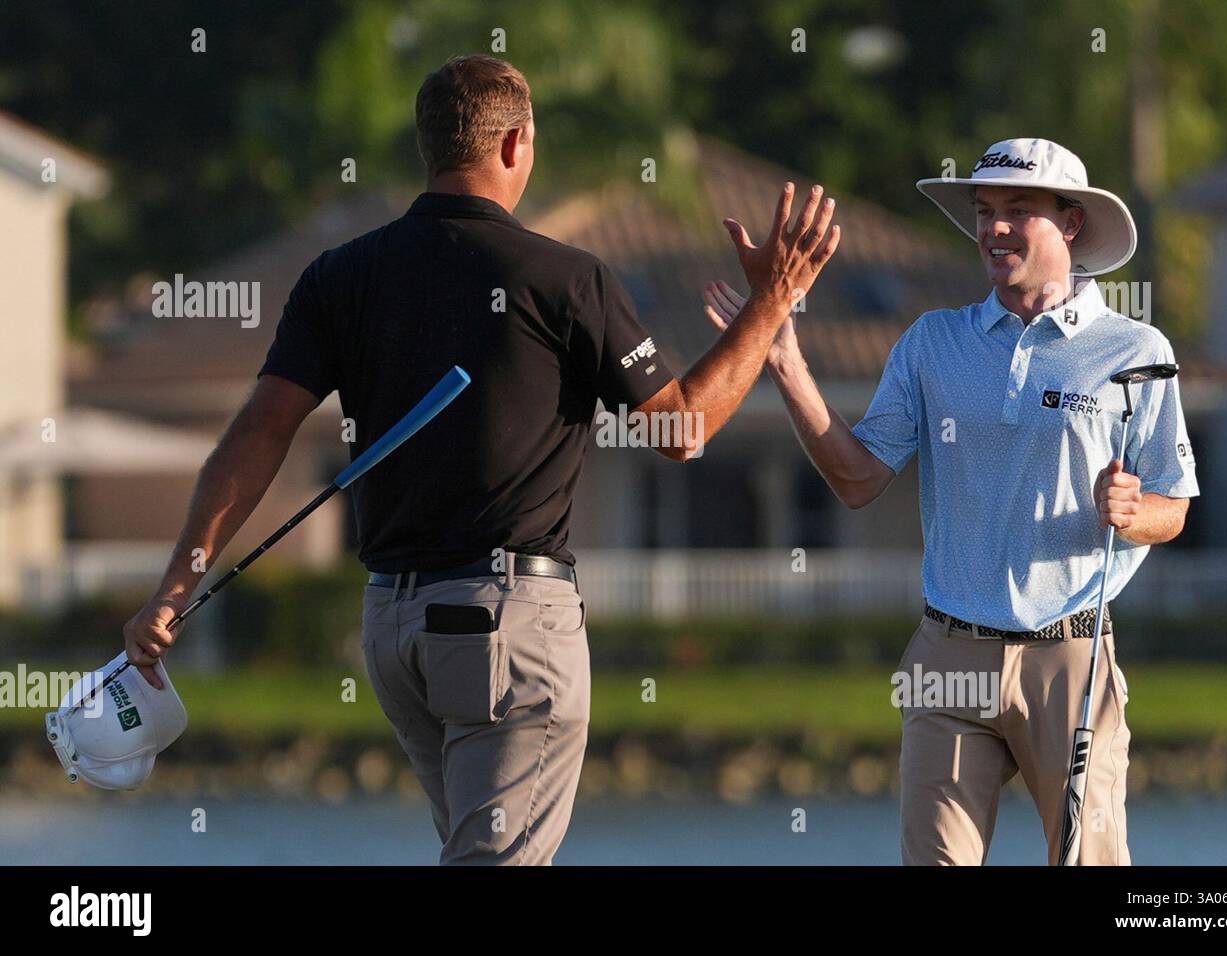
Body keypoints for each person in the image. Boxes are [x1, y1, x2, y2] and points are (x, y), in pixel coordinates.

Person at [122, 54, 839, 865]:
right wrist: (772, 302)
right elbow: (681, 430)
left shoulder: (339, 276)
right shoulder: (566, 279)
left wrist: (173, 589)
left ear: (428, 146)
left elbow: (256, 434)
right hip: (504, 631)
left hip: (395, 632)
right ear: (516, 145)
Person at [703, 138, 1198, 865]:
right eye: (984, 212)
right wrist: (785, 362)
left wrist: (1133, 510)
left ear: (1070, 225)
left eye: (1017, 211)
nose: (994, 229)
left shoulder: (1136, 348)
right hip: (947, 653)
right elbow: (860, 479)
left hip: (1071, 655)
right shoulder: (932, 342)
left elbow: (1174, 508)